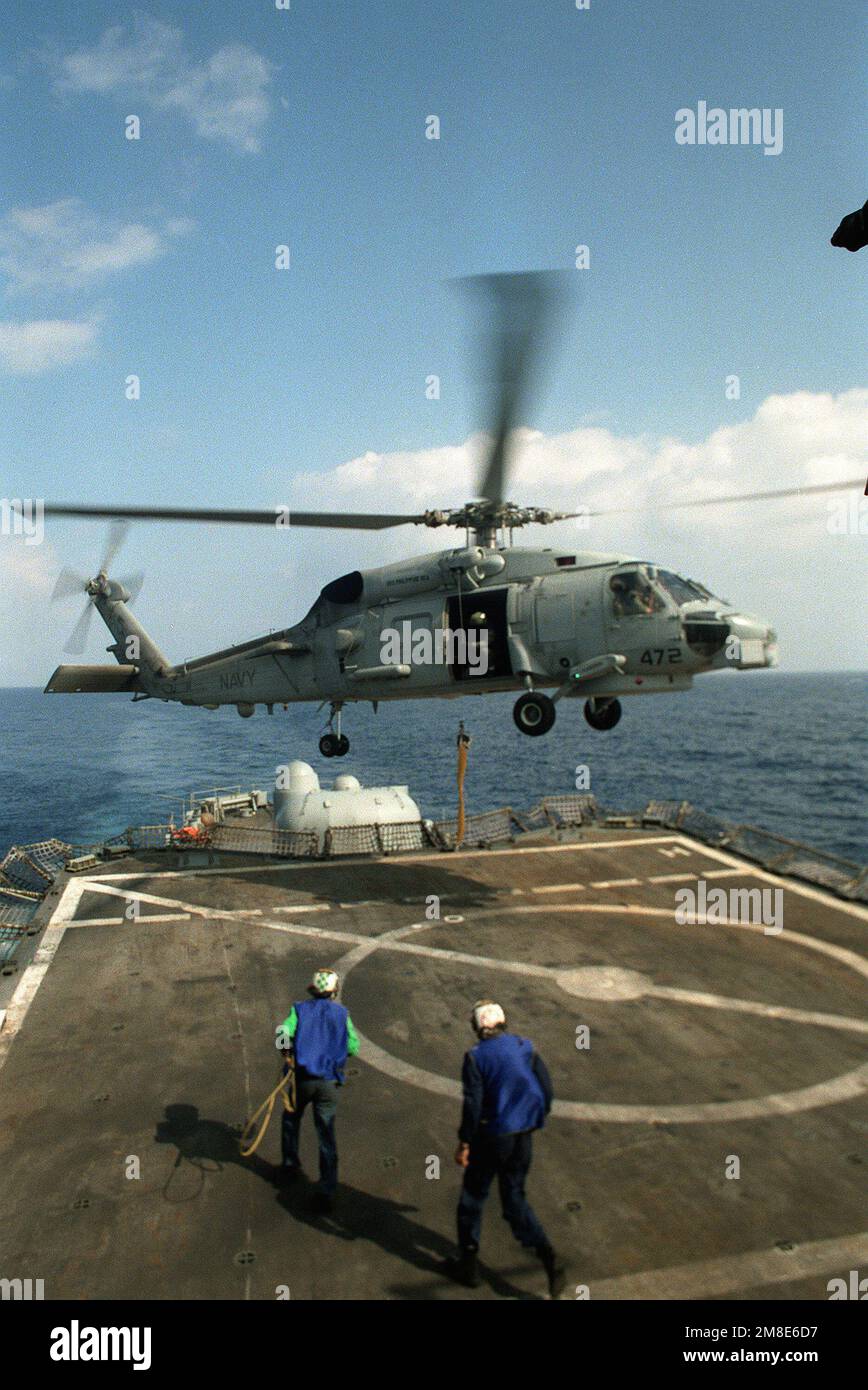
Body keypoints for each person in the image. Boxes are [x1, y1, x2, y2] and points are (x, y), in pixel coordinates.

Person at [445, 1000, 565, 1297]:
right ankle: (547, 1255)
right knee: (514, 1200)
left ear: (477, 1027)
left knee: (473, 1198)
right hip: (523, 1135)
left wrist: (465, 1141)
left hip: (492, 1137)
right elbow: (546, 1090)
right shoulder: (525, 1046)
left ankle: (469, 1263)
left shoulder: (475, 1058)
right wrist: (535, 1118)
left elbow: (473, 1105)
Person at [275, 968, 359, 1212]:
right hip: (328, 1082)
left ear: (313, 989)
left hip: (302, 1080)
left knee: (291, 1119)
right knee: (326, 1135)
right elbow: (353, 1046)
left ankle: (290, 1164)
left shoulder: (299, 1009)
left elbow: (282, 1032)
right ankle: (326, 1187)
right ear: (334, 992)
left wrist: (286, 1051)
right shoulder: (342, 1014)